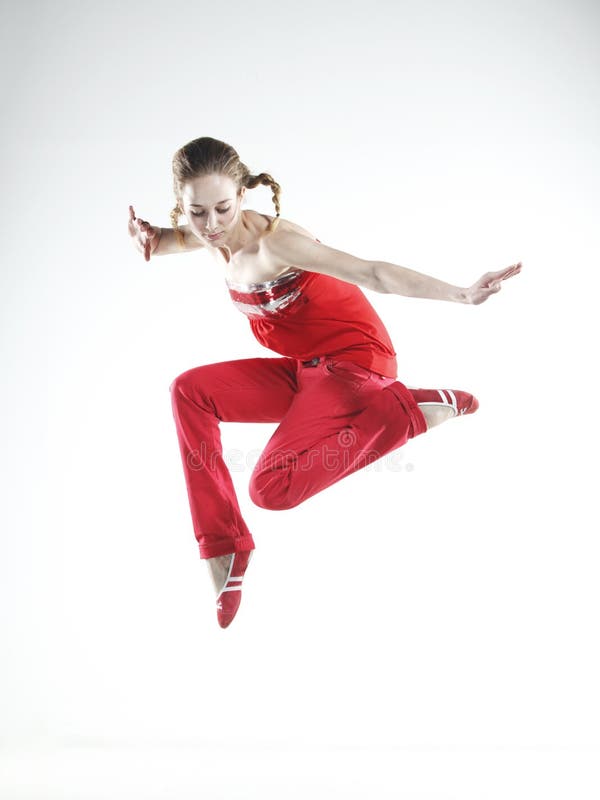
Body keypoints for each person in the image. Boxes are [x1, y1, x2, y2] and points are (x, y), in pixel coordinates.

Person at [128, 136, 522, 629]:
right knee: (190, 391)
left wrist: (462, 294)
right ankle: (223, 547)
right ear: (182, 206)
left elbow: (372, 273)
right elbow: (176, 239)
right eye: (197, 212)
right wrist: (149, 237)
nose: (211, 225)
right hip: (308, 369)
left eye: (223, 209)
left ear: (242, 195)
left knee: (271, 488)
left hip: (355, 363)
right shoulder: (208, 236)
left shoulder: (277, 245)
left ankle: (405, 414)